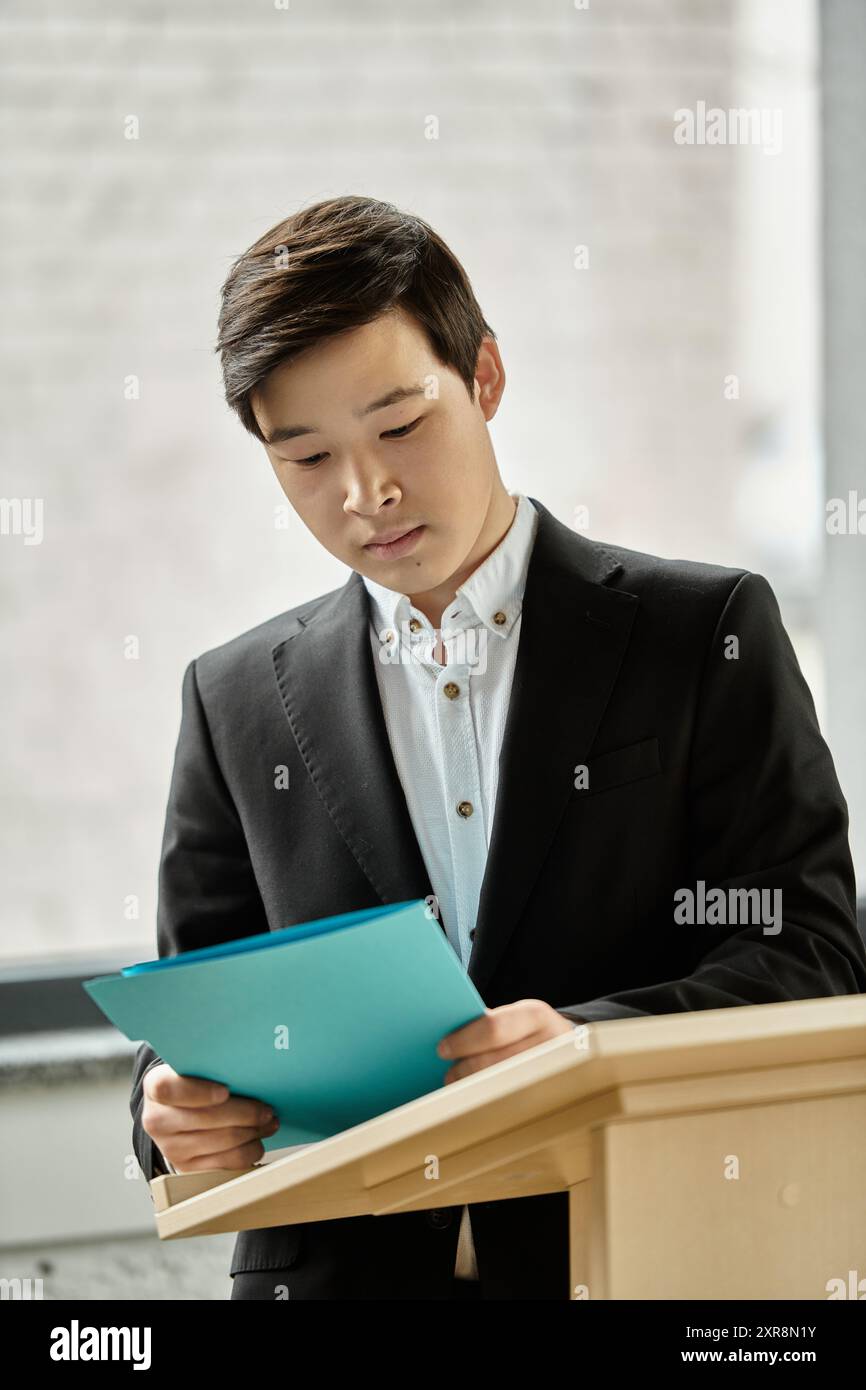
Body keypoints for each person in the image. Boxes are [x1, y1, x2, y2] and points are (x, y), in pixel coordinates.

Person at [130, 195, 866, 1301]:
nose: (363, 492)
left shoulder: (700, 633)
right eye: (306, 456)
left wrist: (585, 1047)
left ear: (482, 377)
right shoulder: (233, 699)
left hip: (643, 1257)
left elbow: (813, 956)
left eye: (397, 427)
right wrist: (168, 1107)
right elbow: (199, 1008)